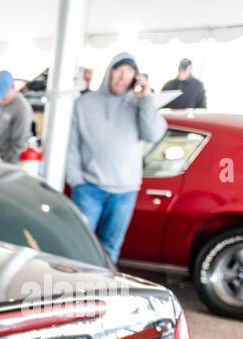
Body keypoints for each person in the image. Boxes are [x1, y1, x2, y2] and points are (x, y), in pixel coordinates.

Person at [66, 53, 167, 263]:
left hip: (124, 191)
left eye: (129, 73)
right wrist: (75, 179)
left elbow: (154, 135)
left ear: (135, 78)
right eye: (119, 71)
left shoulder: (139, 105)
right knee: (77, 247)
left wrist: (147, 99)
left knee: (110, 249)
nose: (122, 77)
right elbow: (71, 143)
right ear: (109, 72)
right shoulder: (84, 104)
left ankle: (100, 292)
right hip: (89, 188)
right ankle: (74, 291)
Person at [0, 70, 31, 164]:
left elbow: (19, 143)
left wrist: (7, 165)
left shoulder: (21, 107)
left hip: (4, 162)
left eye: (3, 96)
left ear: (12, 88)